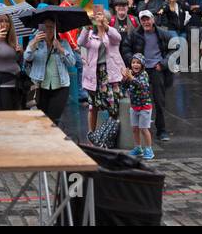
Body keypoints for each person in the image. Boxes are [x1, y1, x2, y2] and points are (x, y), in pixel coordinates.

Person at [78, 8, 124, 137]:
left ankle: (110, 135)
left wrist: (105, 26)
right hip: (94, 74)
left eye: (102, 17)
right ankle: (91, 134)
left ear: (107, 20)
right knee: (93, 106)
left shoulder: (111, 33)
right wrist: (86, 28)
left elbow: (118, 38)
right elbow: (80, 43)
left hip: (110, 73)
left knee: (112, 105)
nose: (98, 19)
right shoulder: (90, 34)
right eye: (97, 17)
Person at [129, 11, 173, 141]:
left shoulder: (163, 34)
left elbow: (175, 48)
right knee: (139, 100)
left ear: (153, 20)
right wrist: (133, 64)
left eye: (147, 20)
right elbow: (126, 48)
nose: (145, 22)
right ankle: (142, 131)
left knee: (159, 101)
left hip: (156, 69)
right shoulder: (135, 34)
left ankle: (162, 130)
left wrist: (163, 64)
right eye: (143, 20)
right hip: (140, 71)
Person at [24, 16, 76, 122]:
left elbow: (72, 63)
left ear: (55, 29)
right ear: (41, 28)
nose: (48, 30)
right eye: (46, 27)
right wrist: (34, 42)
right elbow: (27, 57)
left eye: (51, 27)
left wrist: (61, 49)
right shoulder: (36, 43)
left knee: (54, 119)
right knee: (42, 120)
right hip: (40, 87)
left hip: (61, 86)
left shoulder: (63, 43)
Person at [123, 54, 155, 160]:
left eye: (138, 63)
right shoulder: (131, 74)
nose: (135, 65)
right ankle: (138, 147)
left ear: (142, 65)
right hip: (134, 106)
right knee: (135, 128)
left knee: (144, 129)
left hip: (144, 106)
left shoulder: (144, 74)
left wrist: (132, 78)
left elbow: (142, 86)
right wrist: (125, 78)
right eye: (133, 62)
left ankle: (149, 149)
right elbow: (124, 86)